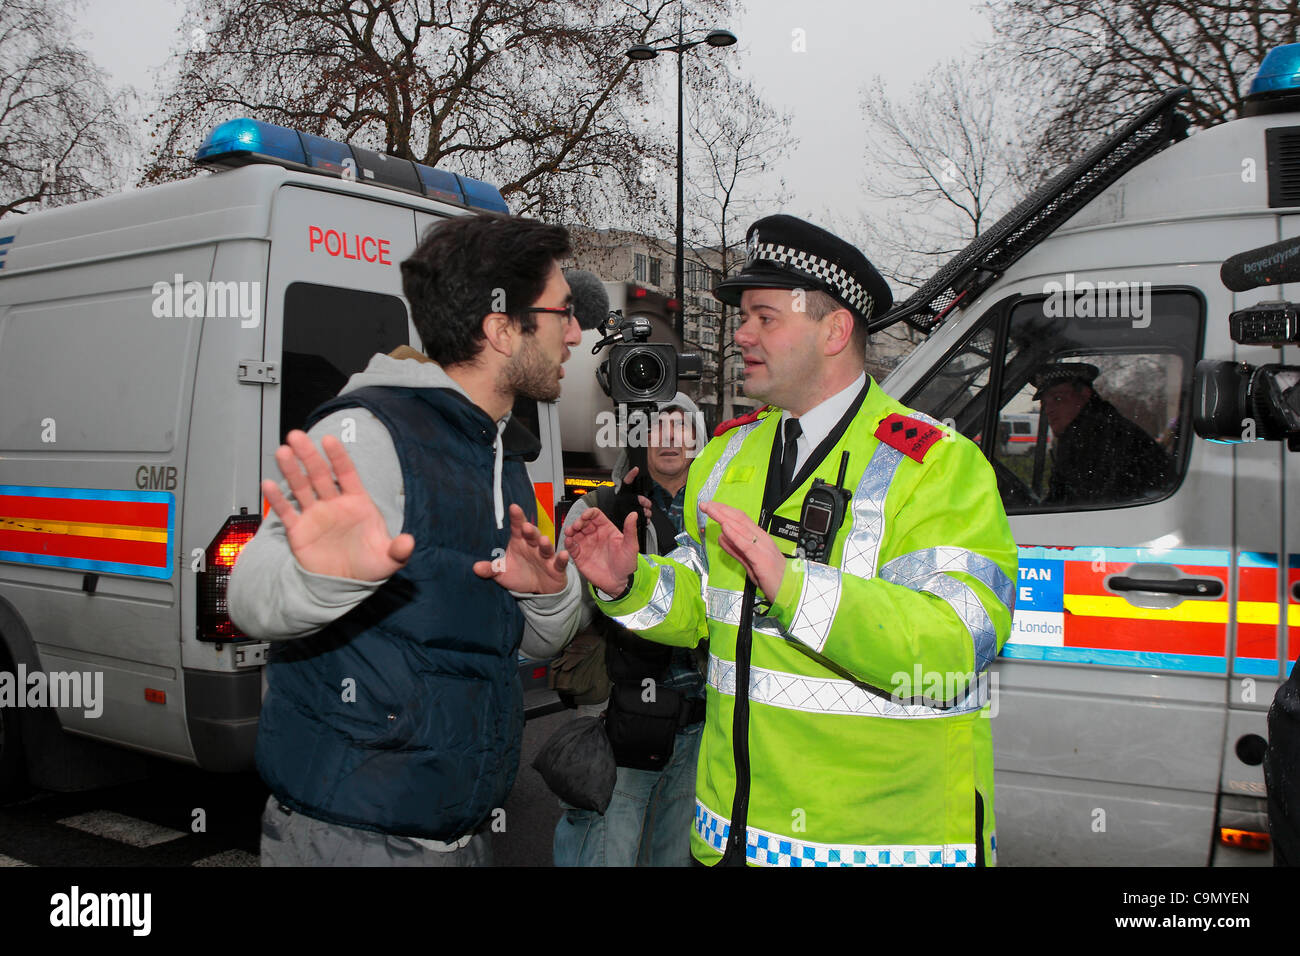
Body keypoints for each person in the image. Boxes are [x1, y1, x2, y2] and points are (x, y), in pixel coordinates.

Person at [566, 214, 1018, 867]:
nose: (742, 334)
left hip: (876, 849)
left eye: (765, 317)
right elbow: (703, 606)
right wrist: (629, 581)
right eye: (743, 316)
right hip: (733, 841)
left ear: (834, 331)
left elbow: (956, 643)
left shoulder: (938, 465)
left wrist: (795, 587)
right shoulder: (726, 458)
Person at [228, 212, 585, 867]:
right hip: (355, 838)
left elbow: (518, 645)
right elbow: (248, 597)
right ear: (503, 329)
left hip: (456, 835)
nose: (577, 332)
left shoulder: (502, 452)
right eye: (562, 312)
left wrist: (548, 598)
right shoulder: (371, 434)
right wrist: (327, 576)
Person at [550, 394, 706, 867]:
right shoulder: (598, 507)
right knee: (604, 852)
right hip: (621, 722)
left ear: (699, 441)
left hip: (697, 723)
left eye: (682, 429)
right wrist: (611, 550)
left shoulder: (717, 512)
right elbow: (562, 618)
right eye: (659, 428)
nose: (671, 439)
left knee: (673, 857)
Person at [1031, 362, 1172, 505]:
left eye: (1058, 399)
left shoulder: (1101, 438)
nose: (1049, 410)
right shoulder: (1089, 431)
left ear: (1085, 394)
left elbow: (1081, 506)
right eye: (1044, 403)